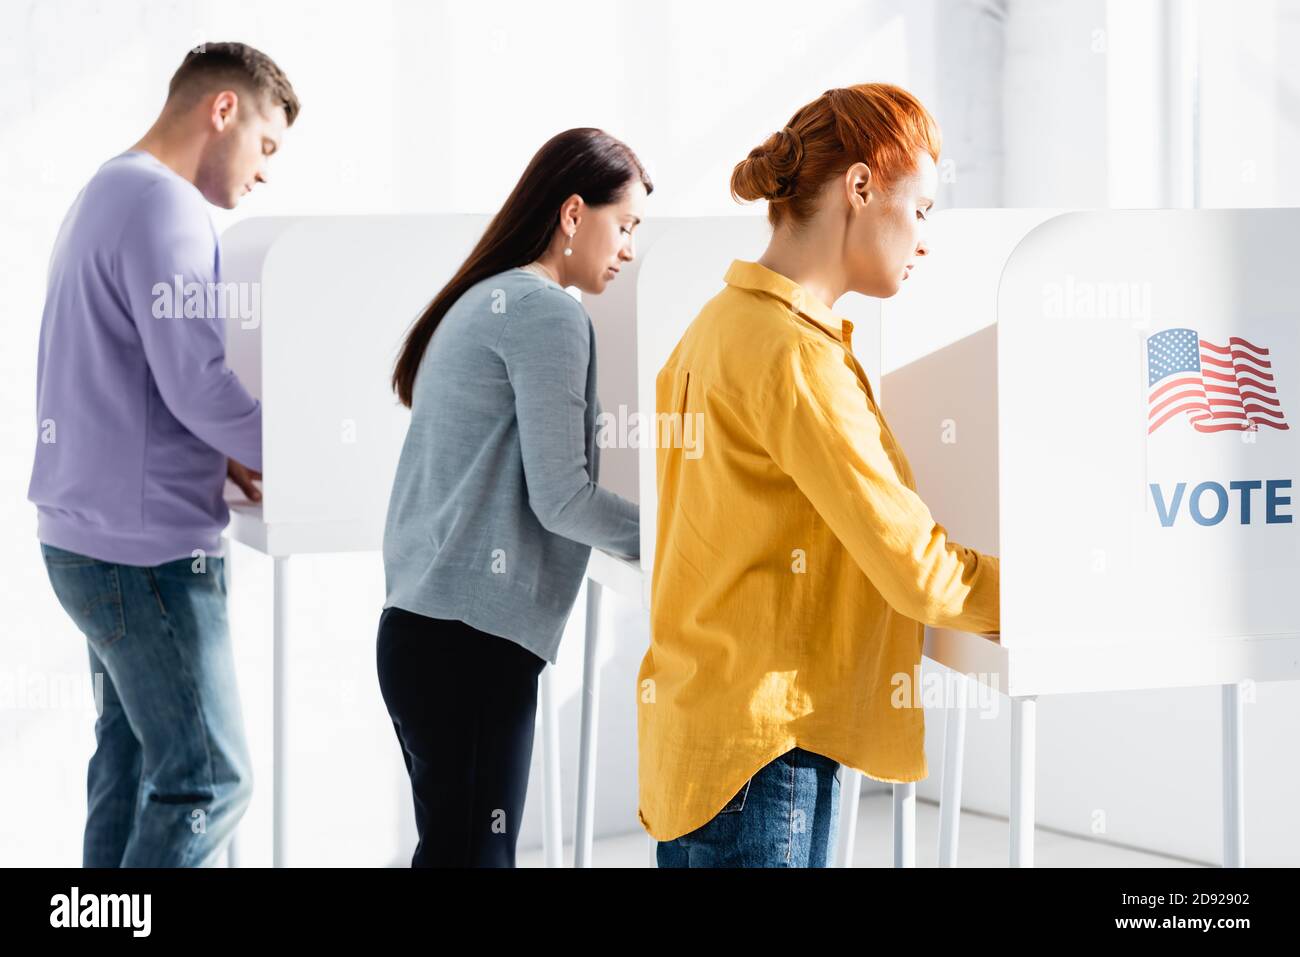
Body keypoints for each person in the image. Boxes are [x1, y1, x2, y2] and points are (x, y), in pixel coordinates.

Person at [638, 83, 1001, 867]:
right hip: (767, 758)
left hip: (703, 738)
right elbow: (916, 570)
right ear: (861, 187)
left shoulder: (716, 327)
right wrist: (1050, 598)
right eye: (924, 210)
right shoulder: (796, 354)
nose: (926, 239)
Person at [28, 42, 299, 867]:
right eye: (266, 145)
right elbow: (199, 383)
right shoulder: (167, 207)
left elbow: (122, 375)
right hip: (146, 560)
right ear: (223, 110)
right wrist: (298, 454)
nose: (264, 173)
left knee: (132, 761)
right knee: (211, 781)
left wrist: (216, 456)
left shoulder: (104, 191)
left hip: (83, 541)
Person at [379, 128, 649, 867]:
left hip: (427, 634)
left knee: (459, 852)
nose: (628, 249)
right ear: (572, 213)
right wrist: (678, 530)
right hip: (467, 648)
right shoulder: (545, 312)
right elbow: (564, 498)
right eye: (623, 226)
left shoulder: (482, 297)